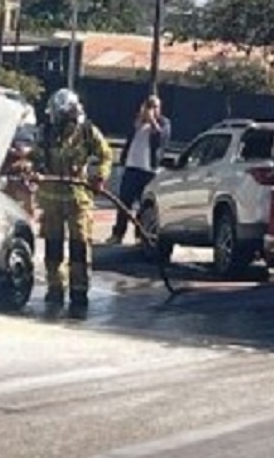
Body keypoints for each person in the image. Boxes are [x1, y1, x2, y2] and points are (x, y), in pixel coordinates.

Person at [33, 88, 113, 310]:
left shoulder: (88, 132)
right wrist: (31, 168)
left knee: (79, 246)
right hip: (51, 200)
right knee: (53, 247)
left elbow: (106, 154)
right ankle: (55, 288)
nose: (57, 122)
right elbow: (35, 156)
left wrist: (100, 176)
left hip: (79, 200)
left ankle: (79, 291)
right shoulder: (46, 132)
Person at [108, 95, 172, 244]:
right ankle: (118, 234)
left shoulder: (164, 123)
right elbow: (129, 140)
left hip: (148, 170)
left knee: (143, 206)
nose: (151, 109)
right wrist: (141, 119)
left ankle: (140, 235)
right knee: (124, 203)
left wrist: (153, 121)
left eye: (154, 106)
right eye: (148, 105)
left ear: (160, 108)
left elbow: (161, 140)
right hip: (132, 167)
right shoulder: (138, 122)